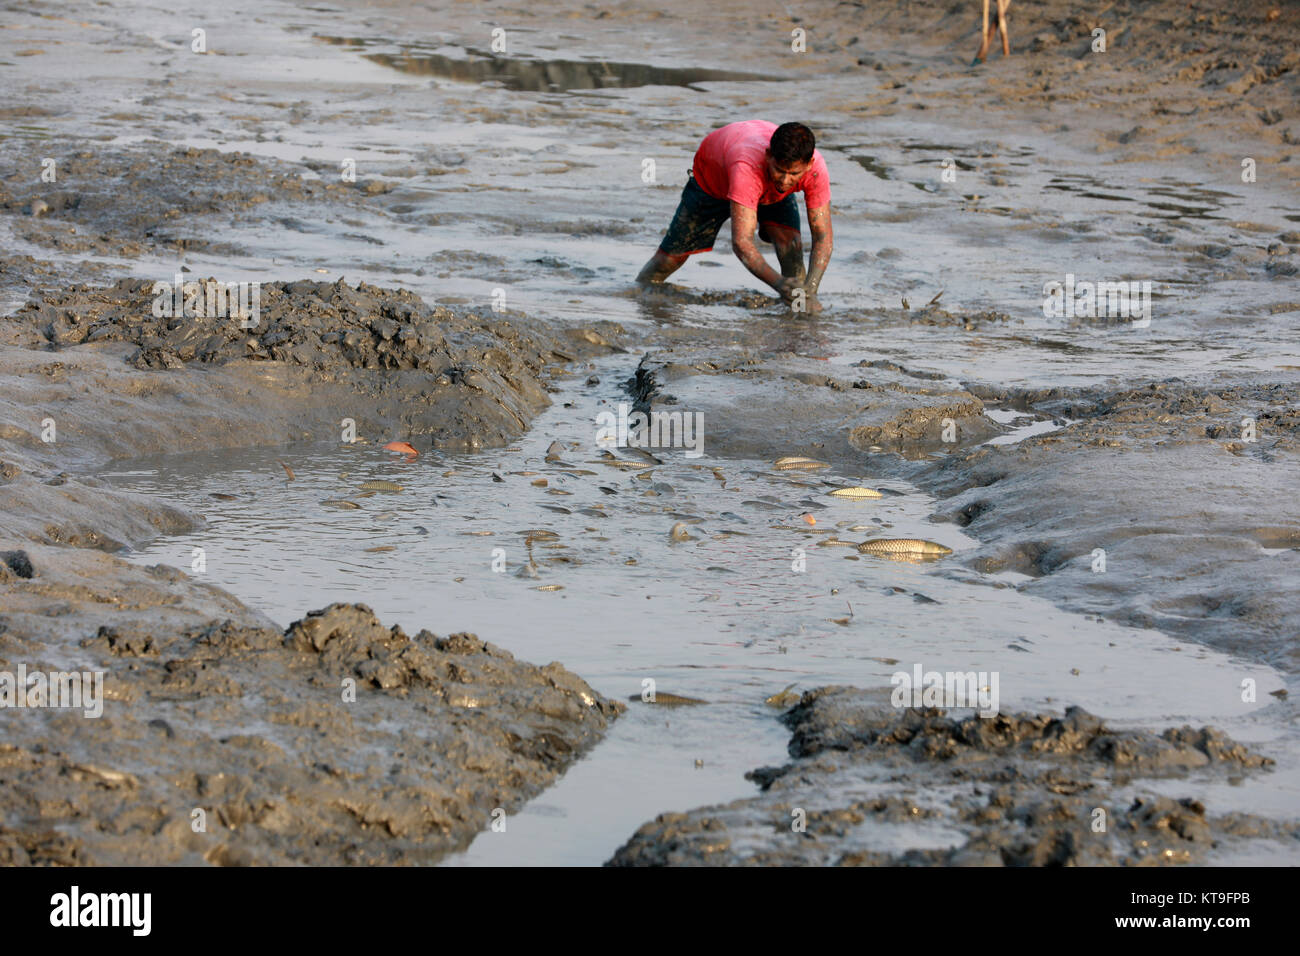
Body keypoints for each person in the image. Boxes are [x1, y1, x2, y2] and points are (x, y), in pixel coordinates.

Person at [636, 120, 833, 313]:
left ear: (809, 165)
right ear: (768, 156)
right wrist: (778, 283)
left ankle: (797, 315)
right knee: (669, 260)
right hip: (712, 183)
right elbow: (742, 243)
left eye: (794, 173)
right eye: (780, 170)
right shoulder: (747, 166)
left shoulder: (816, 170)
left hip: (766, 189)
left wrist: (810, 290)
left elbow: (822, 237)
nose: (785, 179)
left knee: (791, 248)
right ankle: (638, 291)